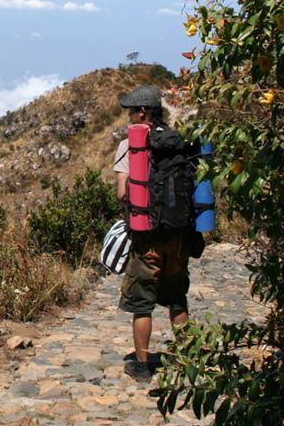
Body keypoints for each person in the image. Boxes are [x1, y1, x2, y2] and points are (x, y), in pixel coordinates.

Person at [113, 85, 190, 382]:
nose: (129, 117)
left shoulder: (131, 145)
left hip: (148, 236)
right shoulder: (178, 141)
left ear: (142, 111)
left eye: (132, 111)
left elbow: (123, 194)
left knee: (142, 300)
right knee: (177, 298)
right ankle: (187, 357)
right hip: (180, 234)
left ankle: (143, 363)